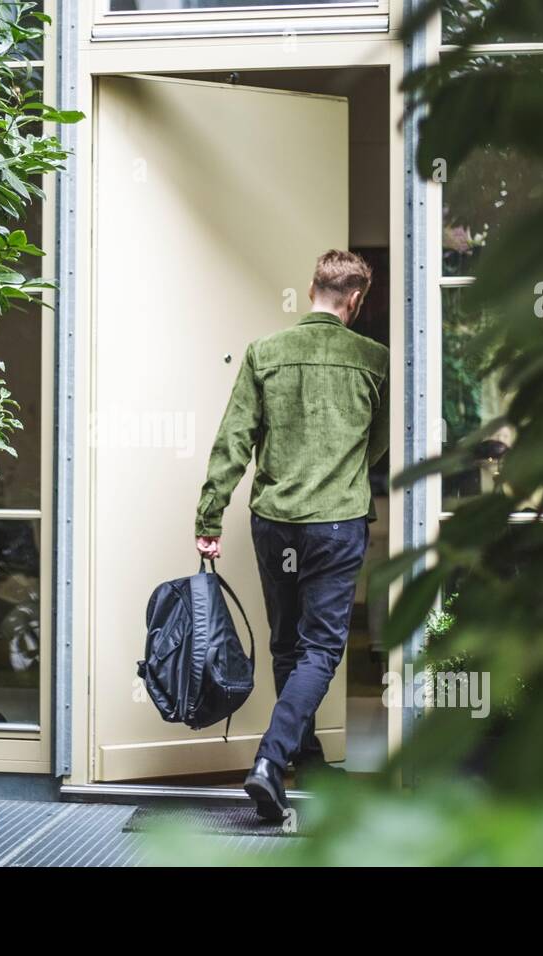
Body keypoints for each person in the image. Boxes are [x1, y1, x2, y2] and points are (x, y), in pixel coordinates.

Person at [194, 249, 389, 821]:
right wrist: (344, 468)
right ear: (355, 300)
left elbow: (234, 440)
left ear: (312, 288)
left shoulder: (265, 353)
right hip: (336, 522)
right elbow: (377, 442)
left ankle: (305, 756)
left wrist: (209, 516)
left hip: (276, 524)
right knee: (322, 648)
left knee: (287, 644)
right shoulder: (374, 360)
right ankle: (272, 762)